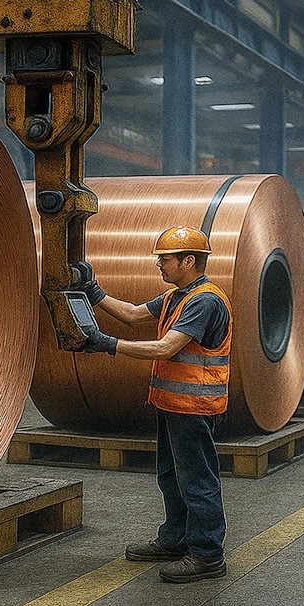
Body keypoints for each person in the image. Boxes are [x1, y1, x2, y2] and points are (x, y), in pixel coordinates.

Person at [76, 225, 232, 584]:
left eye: (165, 259)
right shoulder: (177, 296)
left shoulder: (204, 301)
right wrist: (93, 291)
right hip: (173, 404)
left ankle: (208, 554)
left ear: (188, 260)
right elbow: (132, 314)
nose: (159, 265)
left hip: (194, 408)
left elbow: (165, 348)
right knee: (171, 476)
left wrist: (107, 344)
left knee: (196, 480)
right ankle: (176, 539)